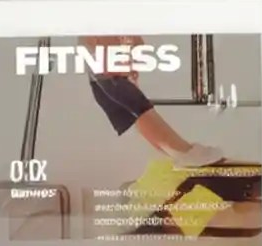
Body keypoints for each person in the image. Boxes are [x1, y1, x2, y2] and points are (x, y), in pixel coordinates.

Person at [79, 35, 226, 167]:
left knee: (134, 111)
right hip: (104, 67)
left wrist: (130, 60)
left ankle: (181, 153)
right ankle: (184, 153)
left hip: (103, 68)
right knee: (138, 108)